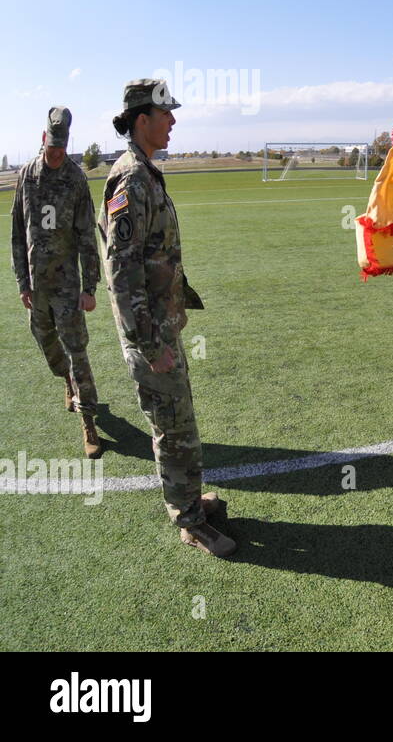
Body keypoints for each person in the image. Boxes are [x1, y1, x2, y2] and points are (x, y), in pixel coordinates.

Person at [101, 79, 234, 557]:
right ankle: (190, 522)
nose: (173, 121)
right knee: (172, 427)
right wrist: (149, 343)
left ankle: (191, 500)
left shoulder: (146, 172)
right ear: (142, 120)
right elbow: (120, 272)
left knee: (182, 421)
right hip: (150, 334)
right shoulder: (132, 179)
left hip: (162, 326)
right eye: (165, 114)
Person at [10, 107, 103, 457]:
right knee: (46, 342)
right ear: (42, 140)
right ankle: (65, 380)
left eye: (62, 150)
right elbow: (17, 232)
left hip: (66, 285)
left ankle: (89, 423)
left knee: (77, 351)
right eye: (52, 149)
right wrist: (23, 281)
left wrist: (89, 287)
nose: (57, 155)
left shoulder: (76, 179)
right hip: (37, 285)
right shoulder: (26, 175)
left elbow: (86, 237)